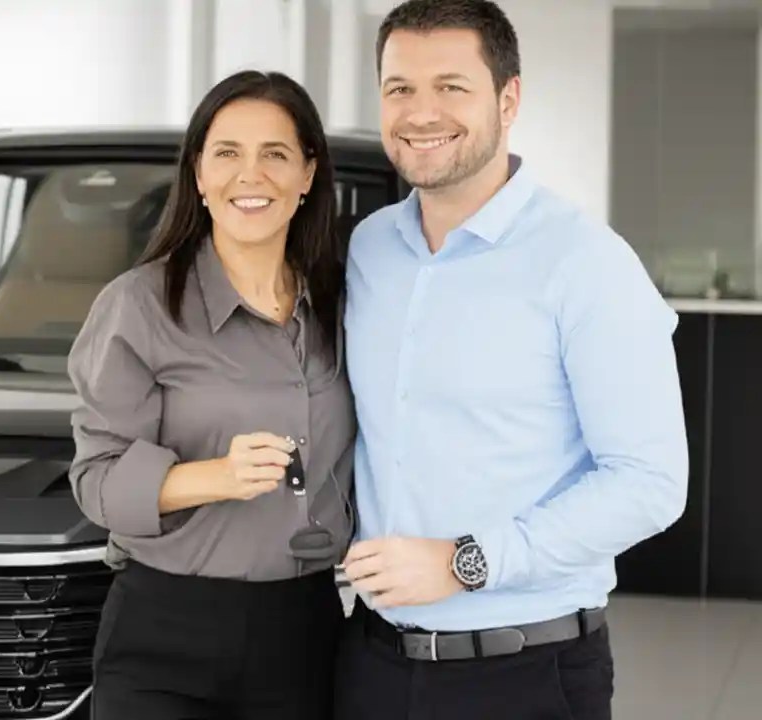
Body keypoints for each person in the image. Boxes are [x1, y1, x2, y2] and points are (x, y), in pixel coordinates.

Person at [335, 1, 689, 718]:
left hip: (524, 673)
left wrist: (466, 561)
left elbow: (651, 482)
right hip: (370, 665)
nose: (420, 111)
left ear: (509, 98)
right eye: (399, 88)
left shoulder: (586, 263)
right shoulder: (365, 250)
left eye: (451, 86)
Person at [67, 69, 355, 720]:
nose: (250, 175)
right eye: (227, 153)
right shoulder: (137, 307)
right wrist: (216, 476)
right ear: (198, 173)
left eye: (275, 154)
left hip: (307, 628)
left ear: (308, 175)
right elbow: (96, 483)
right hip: (167, 631)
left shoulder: (344, 305)